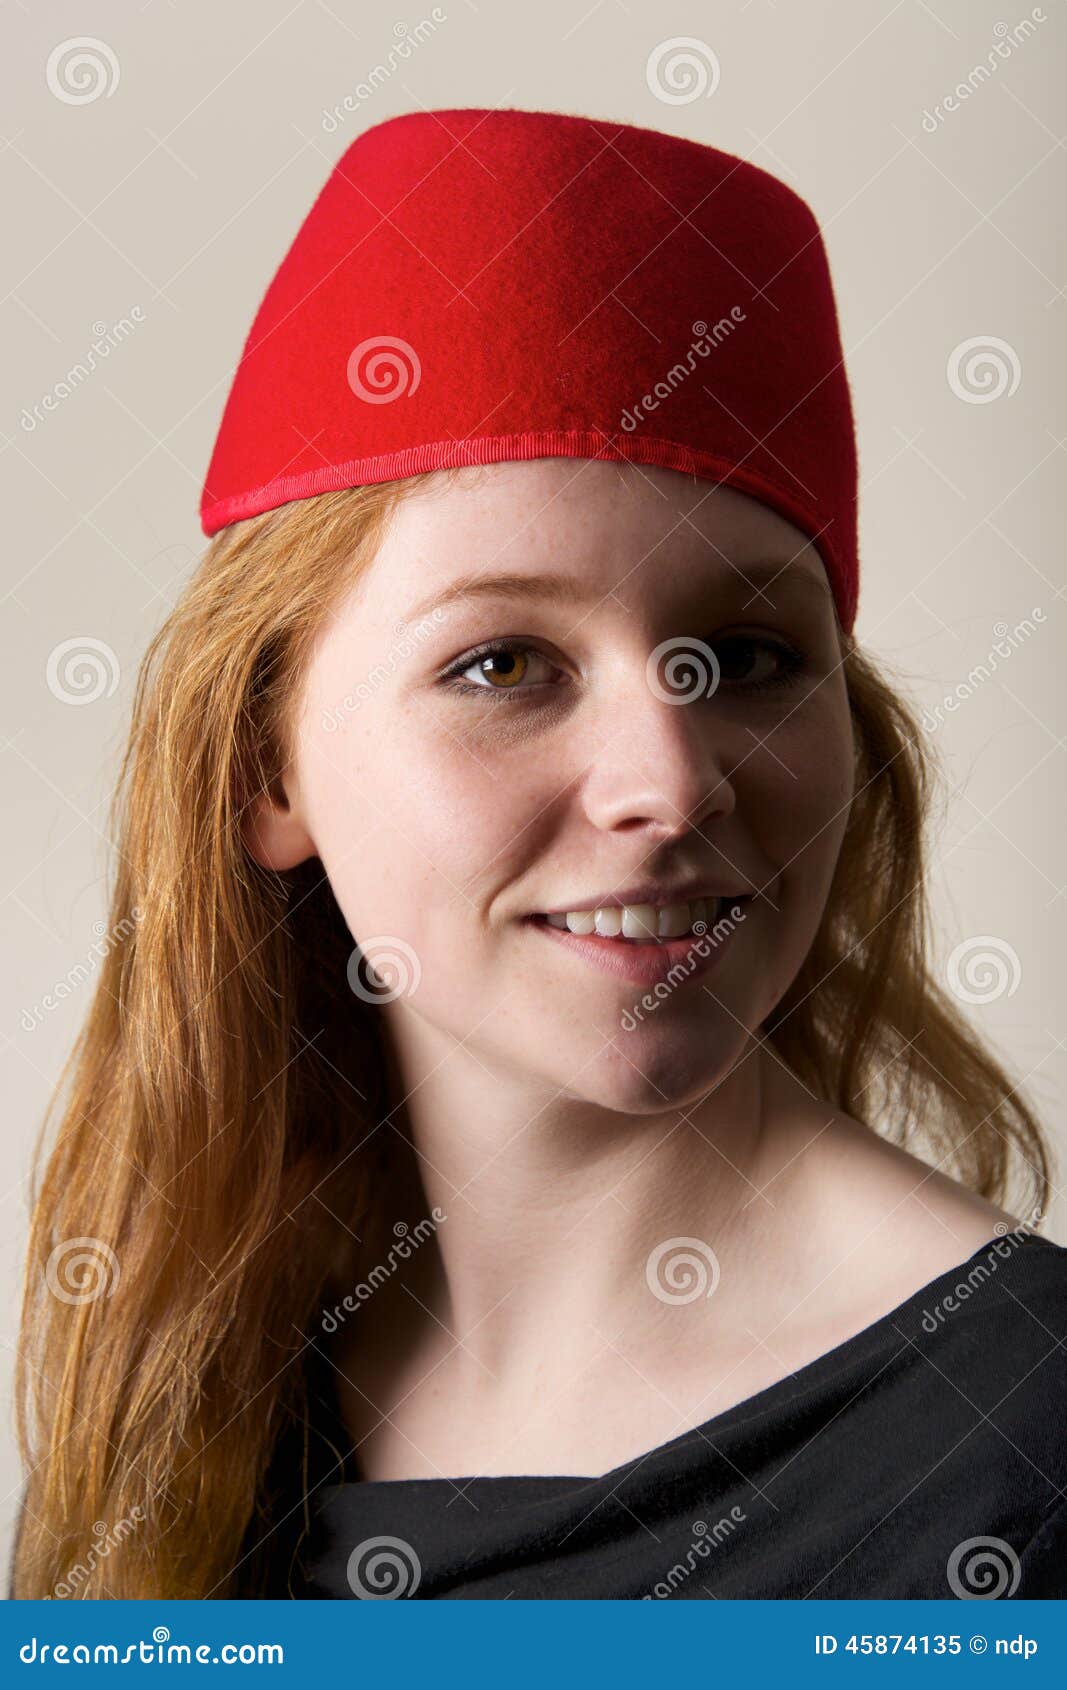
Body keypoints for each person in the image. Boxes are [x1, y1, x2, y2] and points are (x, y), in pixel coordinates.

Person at [11, 108, 1064, 1602]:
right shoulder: (198, 1389)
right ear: (267, 764)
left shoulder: (1024, 1448)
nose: (670, 779)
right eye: (505, 664)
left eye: (749, 653)